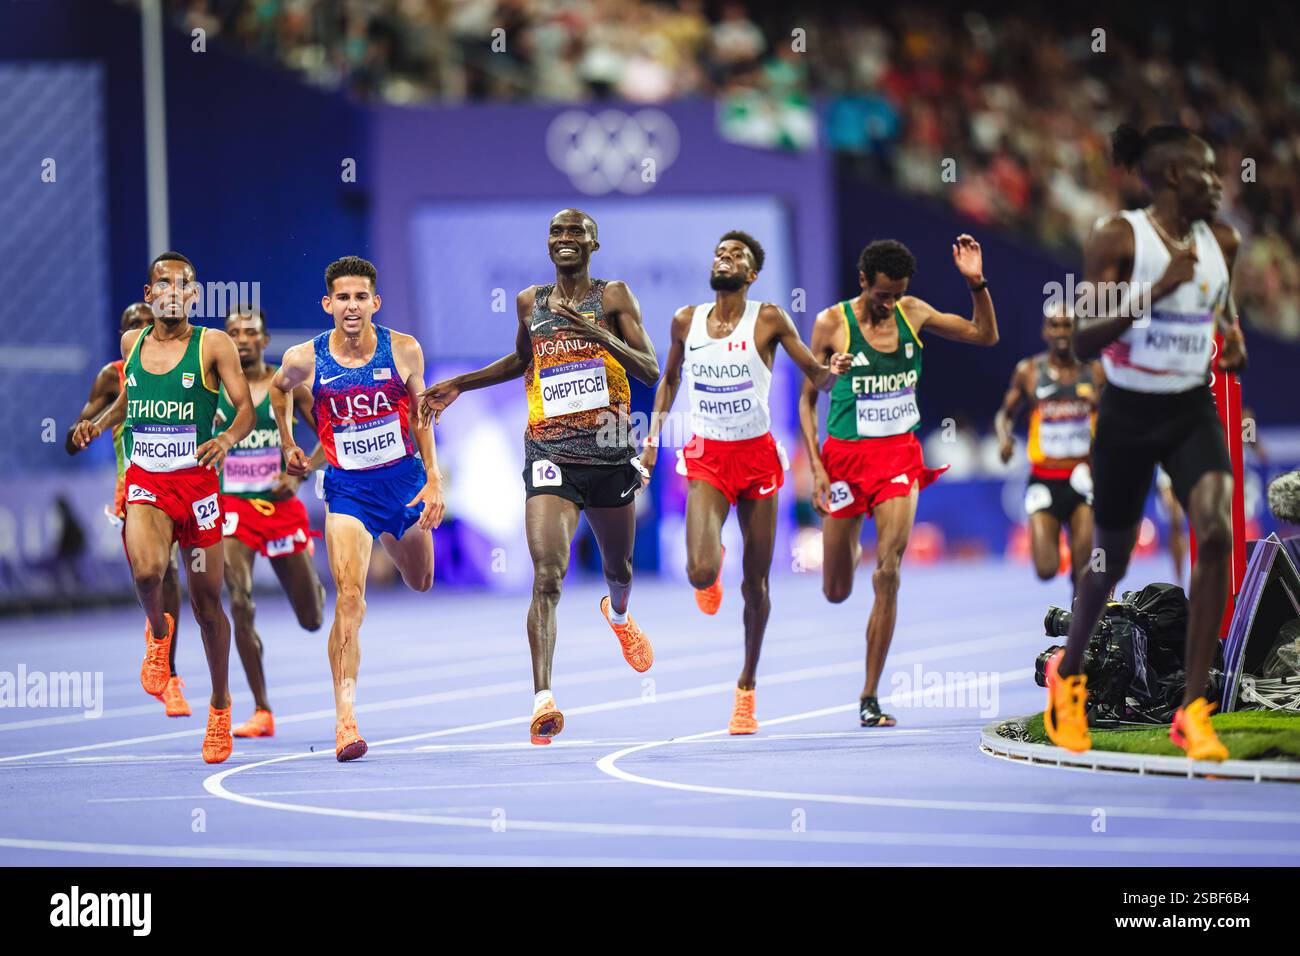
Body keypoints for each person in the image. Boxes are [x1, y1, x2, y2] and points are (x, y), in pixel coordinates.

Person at [1045, 124, 1247, 761]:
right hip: (1130, 408)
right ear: (1169, 179)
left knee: (1213, 529)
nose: (1219, 183)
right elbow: (1081, 342)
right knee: (1112, 559)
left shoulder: (1223, 241)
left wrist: (1232, 335)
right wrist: (1153, 293)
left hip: (1190, 404)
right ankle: (1070, 674)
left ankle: (1192, 710)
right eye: (1206, 172)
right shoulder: (1118, 237)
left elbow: (1223, 309)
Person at [420, 208, 660, 744]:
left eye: (576, 232)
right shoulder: (531, 302)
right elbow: (521, 361)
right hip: (548, 452)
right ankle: (543, 699)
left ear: (593, 243)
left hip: (608, 451)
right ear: (548, 245)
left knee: (618, 568)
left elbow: (649, 368)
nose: (565, 239)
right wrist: (461, 383)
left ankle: (618, 616)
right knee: (548, 573)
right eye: (557, 232)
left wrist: (596, 338)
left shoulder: (613, 296)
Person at [640, 230, 850, 733]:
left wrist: (833, 372)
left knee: (755, 586)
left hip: (757, 459)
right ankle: (707, 575)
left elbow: (815, 377)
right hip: (708, 457)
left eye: (736, 255)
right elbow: (668, 379)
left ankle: (747, 689)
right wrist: (652, 437)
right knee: (697, 571)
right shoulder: (685, 321)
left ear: (751, 274)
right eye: (719, 252)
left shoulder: (770, 319)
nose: (724, 258)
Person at [799, 236, 998, 727]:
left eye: (897, 294)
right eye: (882, 294)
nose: (889, 304)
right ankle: (849, 548)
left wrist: (976, 283)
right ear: (863, 282)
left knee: (888, 573)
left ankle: (869, 695)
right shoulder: (831, 323)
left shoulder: (912, 312)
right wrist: (818, 467)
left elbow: (984, 335)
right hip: (844, 461)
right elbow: (808, 398)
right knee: (836, 590)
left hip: (898, 459)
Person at [72, 252, 255, 763]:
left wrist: (225, 438)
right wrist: (102, 421)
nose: (173, 291)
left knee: (207, 608)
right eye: (163, 283)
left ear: (194, 296)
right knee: (149, 573)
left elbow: (244, 409)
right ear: (149, 295)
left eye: (184, 284)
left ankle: (220, 706)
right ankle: (157, 634)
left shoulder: (213, 344)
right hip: (147, 483)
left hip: (197, 489)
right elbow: (131, 399)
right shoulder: (132, 344)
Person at [273, 256, 444, 762]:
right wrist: (288, 442)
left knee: (421, 580)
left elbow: (422, 412)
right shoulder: (305, 358)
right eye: (342, 297)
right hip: (348, 490)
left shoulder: (403, 349)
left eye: (360, 296)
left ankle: (401, 530)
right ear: (328, 304)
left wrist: (433, 478)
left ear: (375, 302)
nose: (352, 306)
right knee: (350, 599)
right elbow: (280, 391)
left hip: (404, 483)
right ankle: (345, 720)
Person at [67, 302, 190, 717]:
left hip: (182, 484)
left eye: (146, 324)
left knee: (175, 575)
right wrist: (82, 430)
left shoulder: (183, 361)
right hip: (135, 490)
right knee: (150, 575)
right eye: (132, 327)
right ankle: (158, 633)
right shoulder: (113, 376)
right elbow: (77, 434)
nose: (142, 331)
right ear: (123, 337)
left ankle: (170, 676)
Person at [215, 306, 326, 738]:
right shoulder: (215, 387)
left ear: (264, 341)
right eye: (233, 332)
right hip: (233, 509)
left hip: (280, 509)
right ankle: (262, 709)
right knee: (238, 600)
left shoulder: (288, 383)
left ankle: (311, 585)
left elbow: (329, 433)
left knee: (312, 619)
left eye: (250, 333)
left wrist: (300, 474)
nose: (241, 339)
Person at [995, 306, 1104, 591]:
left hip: (1082, 478)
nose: (1061, 332)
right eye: (1055, 325)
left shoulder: (1095, 372)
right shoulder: (1029, 371)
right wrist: (1004, 438)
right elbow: (1004, 415)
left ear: (1077, 329)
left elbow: (1117, 415)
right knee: (1046, 569)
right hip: (1044, 480)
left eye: (1067, 325)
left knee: (1084, 568)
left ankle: (1080, 627)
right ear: (1045, 331)